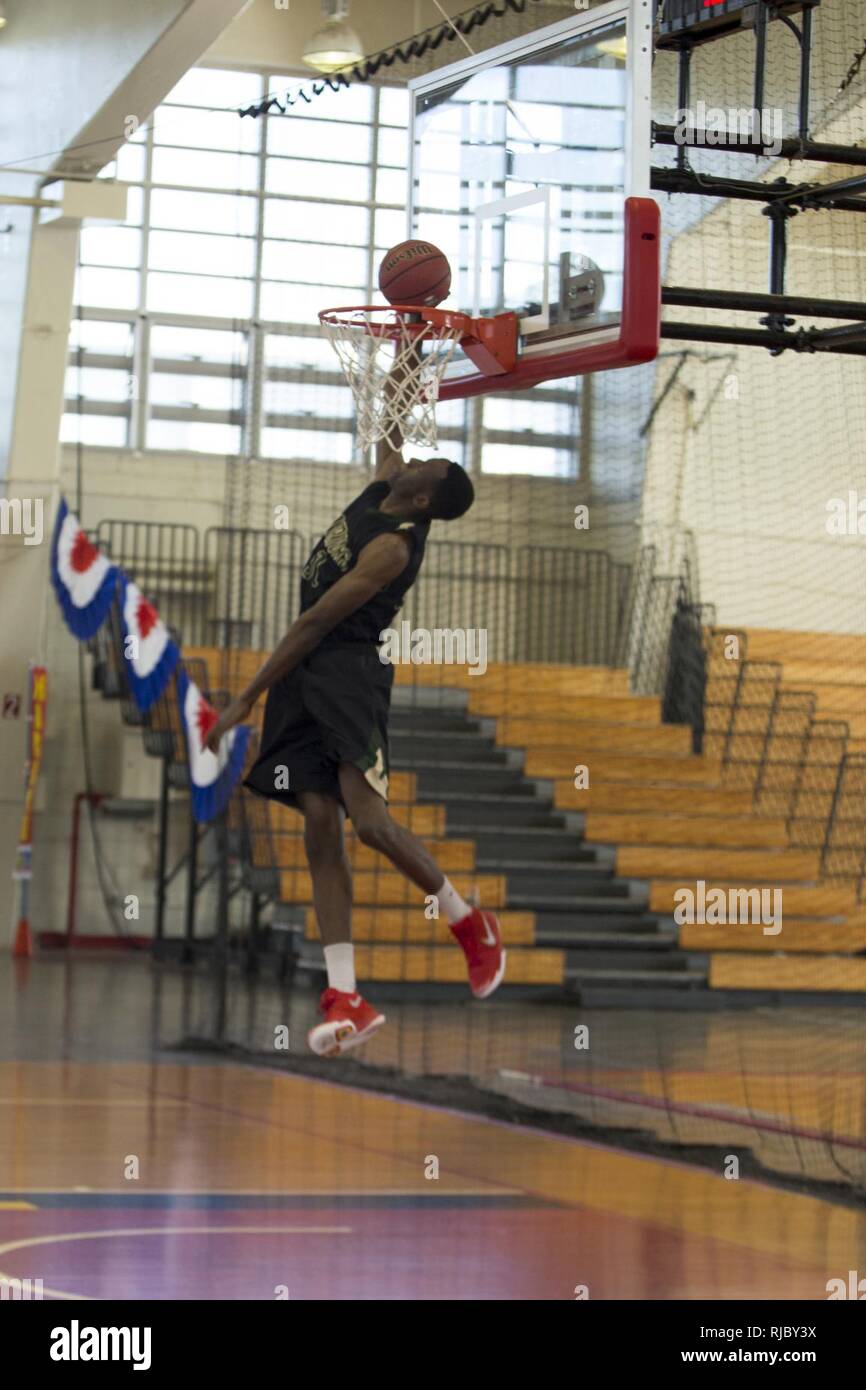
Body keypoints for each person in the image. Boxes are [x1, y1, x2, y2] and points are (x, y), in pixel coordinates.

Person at [206, 366, 505, 1057]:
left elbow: (311, 626)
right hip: (310, 669)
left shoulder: (390, 547)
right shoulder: (386, 488)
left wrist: (246, 700)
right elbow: (390, 426)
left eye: (427, 462)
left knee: (367, 826)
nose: (414, 456)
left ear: (423, 494)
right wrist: (404, 354)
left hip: (344, 673)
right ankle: (347, 995)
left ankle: (468, 923)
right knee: (317, 824)